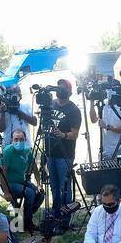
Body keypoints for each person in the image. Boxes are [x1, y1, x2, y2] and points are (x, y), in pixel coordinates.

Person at [44, 78, 82, 222]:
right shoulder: (51, 104)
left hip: (64, 153)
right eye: (58, 87)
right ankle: (56, 212)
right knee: (53, 184)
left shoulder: (73, 110)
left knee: (64, 185)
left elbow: (75, 134)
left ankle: (66, 216)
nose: (60, 90)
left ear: (69, 91)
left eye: (63, 88)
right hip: (50, 151)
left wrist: (63, 135)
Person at [0, 128, 39, 235]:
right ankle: (27, 221)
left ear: (25, 140)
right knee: (30, 193)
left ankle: (25, 217)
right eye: (16, 139)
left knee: (39, 194)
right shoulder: (8, 152)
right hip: (9, 183)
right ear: (12, 140)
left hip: (21, 181)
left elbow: (35, 168)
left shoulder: (27, 150)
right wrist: (6, 192)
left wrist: (39, 184)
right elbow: (2, 173)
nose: (19, 142)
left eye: (21, 139)